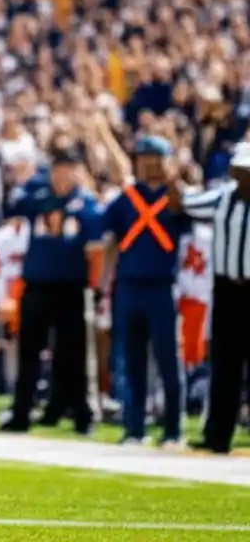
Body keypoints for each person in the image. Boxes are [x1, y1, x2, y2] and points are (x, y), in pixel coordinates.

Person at [0, 148, 103, 436]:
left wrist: (95, 285)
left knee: (73, 353)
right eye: (57, 170)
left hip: (70, 284)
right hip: (38, 282)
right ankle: (22, 411)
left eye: (67, 170)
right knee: (29, 350)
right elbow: (12, 206)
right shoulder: (38, 197)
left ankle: (81, 413)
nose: (61, 177)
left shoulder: (84, 203)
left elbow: (95, 240)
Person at [100, 136, 188, 448]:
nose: (148, 163)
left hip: (162, 286)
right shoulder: (126, 199)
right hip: (129, 285)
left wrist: (173, 179)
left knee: (168, 360)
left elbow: (186, 217)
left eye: (155, 157)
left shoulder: (174, 196)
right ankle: (134, 427)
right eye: (144, 157)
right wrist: (102, 284)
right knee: (132, 361)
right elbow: (109, 238)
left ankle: (174, 429)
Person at [172, 142, 250, 455]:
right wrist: (171, 174)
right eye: (239, 172)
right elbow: (184, 203)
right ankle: (218, 435)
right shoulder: (222, 197)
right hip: (228, 289)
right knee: (225, 365)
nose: (242, 178)